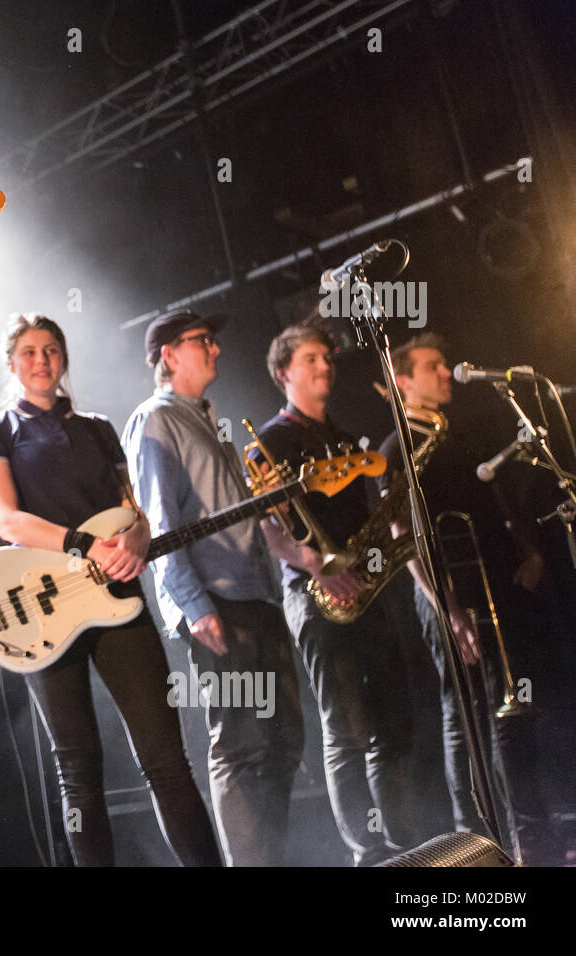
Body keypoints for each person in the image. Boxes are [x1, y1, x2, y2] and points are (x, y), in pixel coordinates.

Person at [0, 313, 222, 867]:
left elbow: (135, 510)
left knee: (167, 760)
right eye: (31, 351)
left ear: (64, 359)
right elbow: (8, 520)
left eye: (52, 349)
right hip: (41, 606)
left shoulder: (98, 427)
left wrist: (135, 536)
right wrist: (83, 543)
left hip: (118, 600)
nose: (42, 360)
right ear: (12, 363)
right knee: (78, 770)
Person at [121, 310, 304, 865]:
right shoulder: (156, 420)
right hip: (216, 600)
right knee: (243, 745)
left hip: (257, 597)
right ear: (168, 355)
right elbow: (155, 521)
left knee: (284, 742)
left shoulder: (212, 425)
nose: (216, 350)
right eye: (204, 342)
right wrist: (193, 605)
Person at [384, 332, 565, 865]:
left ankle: (526, 831)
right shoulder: (397, 446)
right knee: (467, 717)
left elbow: (492, 505)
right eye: (433, 367)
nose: (446, 374)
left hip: (493, 589)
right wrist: (448, 608)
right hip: (452, 596)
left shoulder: (452, 435)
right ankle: (474, 843)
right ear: (403, 379)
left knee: (511, 713)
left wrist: (525, 552)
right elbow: (403, 539)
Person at [249, 320, 418, 865]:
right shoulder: (272, 441)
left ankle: (401, 840)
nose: (327, 366)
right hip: (315, 595)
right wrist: (315, 565)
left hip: (367, 591)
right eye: (312, 359)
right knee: (345, 727)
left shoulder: (345, 438)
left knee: (392, 720)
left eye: (328, 358)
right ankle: (365, 852)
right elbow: (261, 527)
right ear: (283, 373)